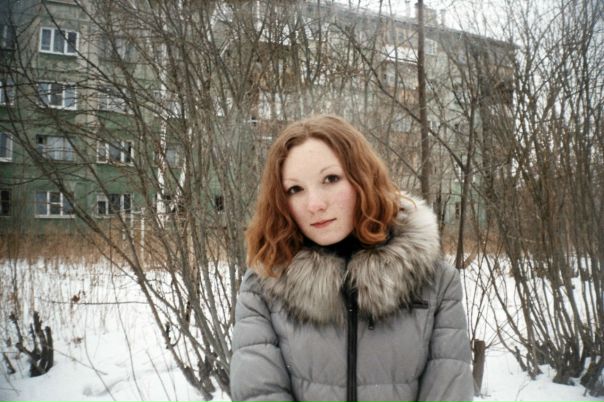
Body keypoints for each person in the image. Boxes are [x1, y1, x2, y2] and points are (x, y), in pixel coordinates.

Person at [230, 114, 473, 402]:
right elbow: (259, 393)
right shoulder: (264, 284)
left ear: (363, 178)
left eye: (330, 179)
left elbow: (448, 391)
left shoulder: (435, 281)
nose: (315, 204)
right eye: (295, 189)